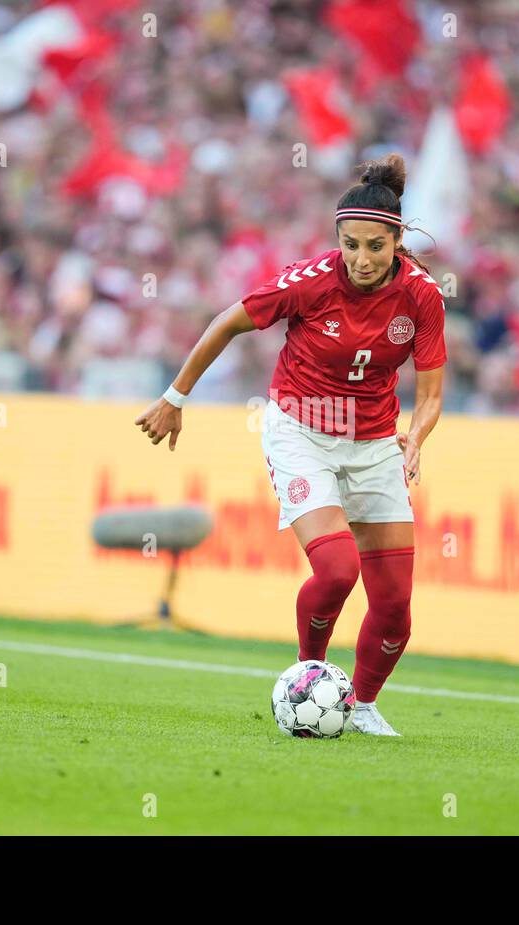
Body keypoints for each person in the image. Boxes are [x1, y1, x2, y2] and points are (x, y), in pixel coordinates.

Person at [134, 153, 447, 736]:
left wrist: (417, 440)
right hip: (300, 431)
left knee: (396, 606)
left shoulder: (423, 297)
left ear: (397, 242)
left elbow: (430, 394)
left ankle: (362, 705)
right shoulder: (308, 282)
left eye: (375, 247)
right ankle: (312, 677)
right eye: (351, 244)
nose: (361, 258)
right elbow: (227, 321)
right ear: (338, 238)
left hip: (376, 441)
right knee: (335, 570)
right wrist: (175, 398)